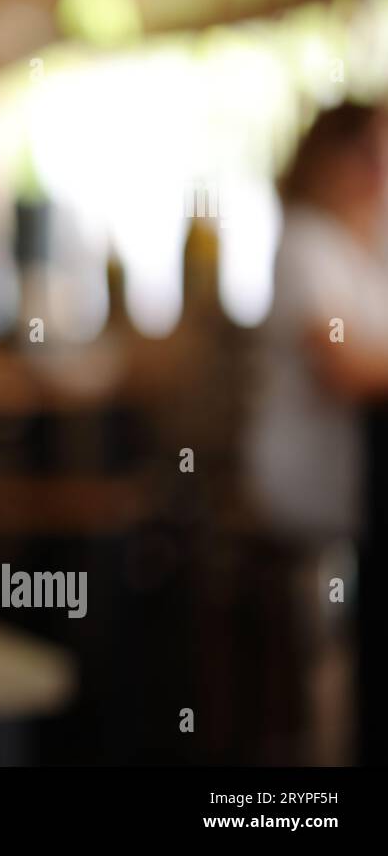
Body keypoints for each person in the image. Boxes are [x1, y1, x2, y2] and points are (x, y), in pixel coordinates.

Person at [243, 100, 388, 763]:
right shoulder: (305, 241)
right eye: (365, 153)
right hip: (313, 482)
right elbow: (343, 368)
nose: (377, 168)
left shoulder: (369, 241)